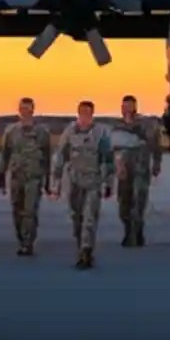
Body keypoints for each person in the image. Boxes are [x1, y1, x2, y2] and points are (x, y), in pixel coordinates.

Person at [52, 100, 115, 269]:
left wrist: (109, 182)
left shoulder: (100, 133)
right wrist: (56, 181)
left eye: (88, 113)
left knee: (89, 218)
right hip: (74, 181)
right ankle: (81, 244)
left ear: (92, 114)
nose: (85, 116)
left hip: (93, 181)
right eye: (82, 112)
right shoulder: (70, 131)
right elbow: (60, 156)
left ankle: (86, 252)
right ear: (78, 113)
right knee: (77, 218)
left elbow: (108, 159)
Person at [0, 97, 52, 256]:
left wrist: (48, 180)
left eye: (28, 109)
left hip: (33, 177)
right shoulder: (11, 131)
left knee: (30, 211)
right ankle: (21, 239)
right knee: (17, 210)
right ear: (19, 110)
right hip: (16, 176)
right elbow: (5, 155)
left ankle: (28, 243)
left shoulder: (42, 132)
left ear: (33, 110)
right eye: (22, 109)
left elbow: (47, 156)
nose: (25, 112)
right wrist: (1, 176)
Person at [112, 94, 163, 247]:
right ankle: (130, 229)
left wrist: (156, 164)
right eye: (124, 106)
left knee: (138, 203)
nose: (126, 109)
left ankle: (134, 234)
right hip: (123, 171)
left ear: (135, 107)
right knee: (123, 204)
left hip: (140, 169)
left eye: (129, 106)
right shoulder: (117, 127)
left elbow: (156, 146)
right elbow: (113, 150)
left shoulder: (146, 126)